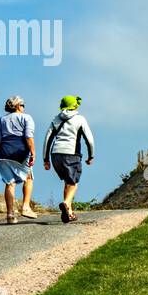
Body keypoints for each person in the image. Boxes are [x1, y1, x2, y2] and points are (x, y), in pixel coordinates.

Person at [42, 95, 95, 223]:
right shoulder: (80, 119)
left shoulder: (55, 119)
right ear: (75, 106)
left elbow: (47, 139)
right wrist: (90, 156)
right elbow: (89, 139)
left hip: (55, 155)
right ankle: (66, 203)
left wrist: (46, 159)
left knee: (67, 182)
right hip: (71, 154)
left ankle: (69, 213)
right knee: (73, 183)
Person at [0, 95, 38, 224]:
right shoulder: (26, 117)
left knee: (9, 183)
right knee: (28, 177)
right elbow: (29, 137)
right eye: (23, 105)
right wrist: (33, 152)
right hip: (20, 150)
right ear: (18, 106)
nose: (24, 107)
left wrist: (1, 153)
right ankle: (25, 207)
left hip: (4, 151)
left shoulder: (1, 120)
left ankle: (10, 214)